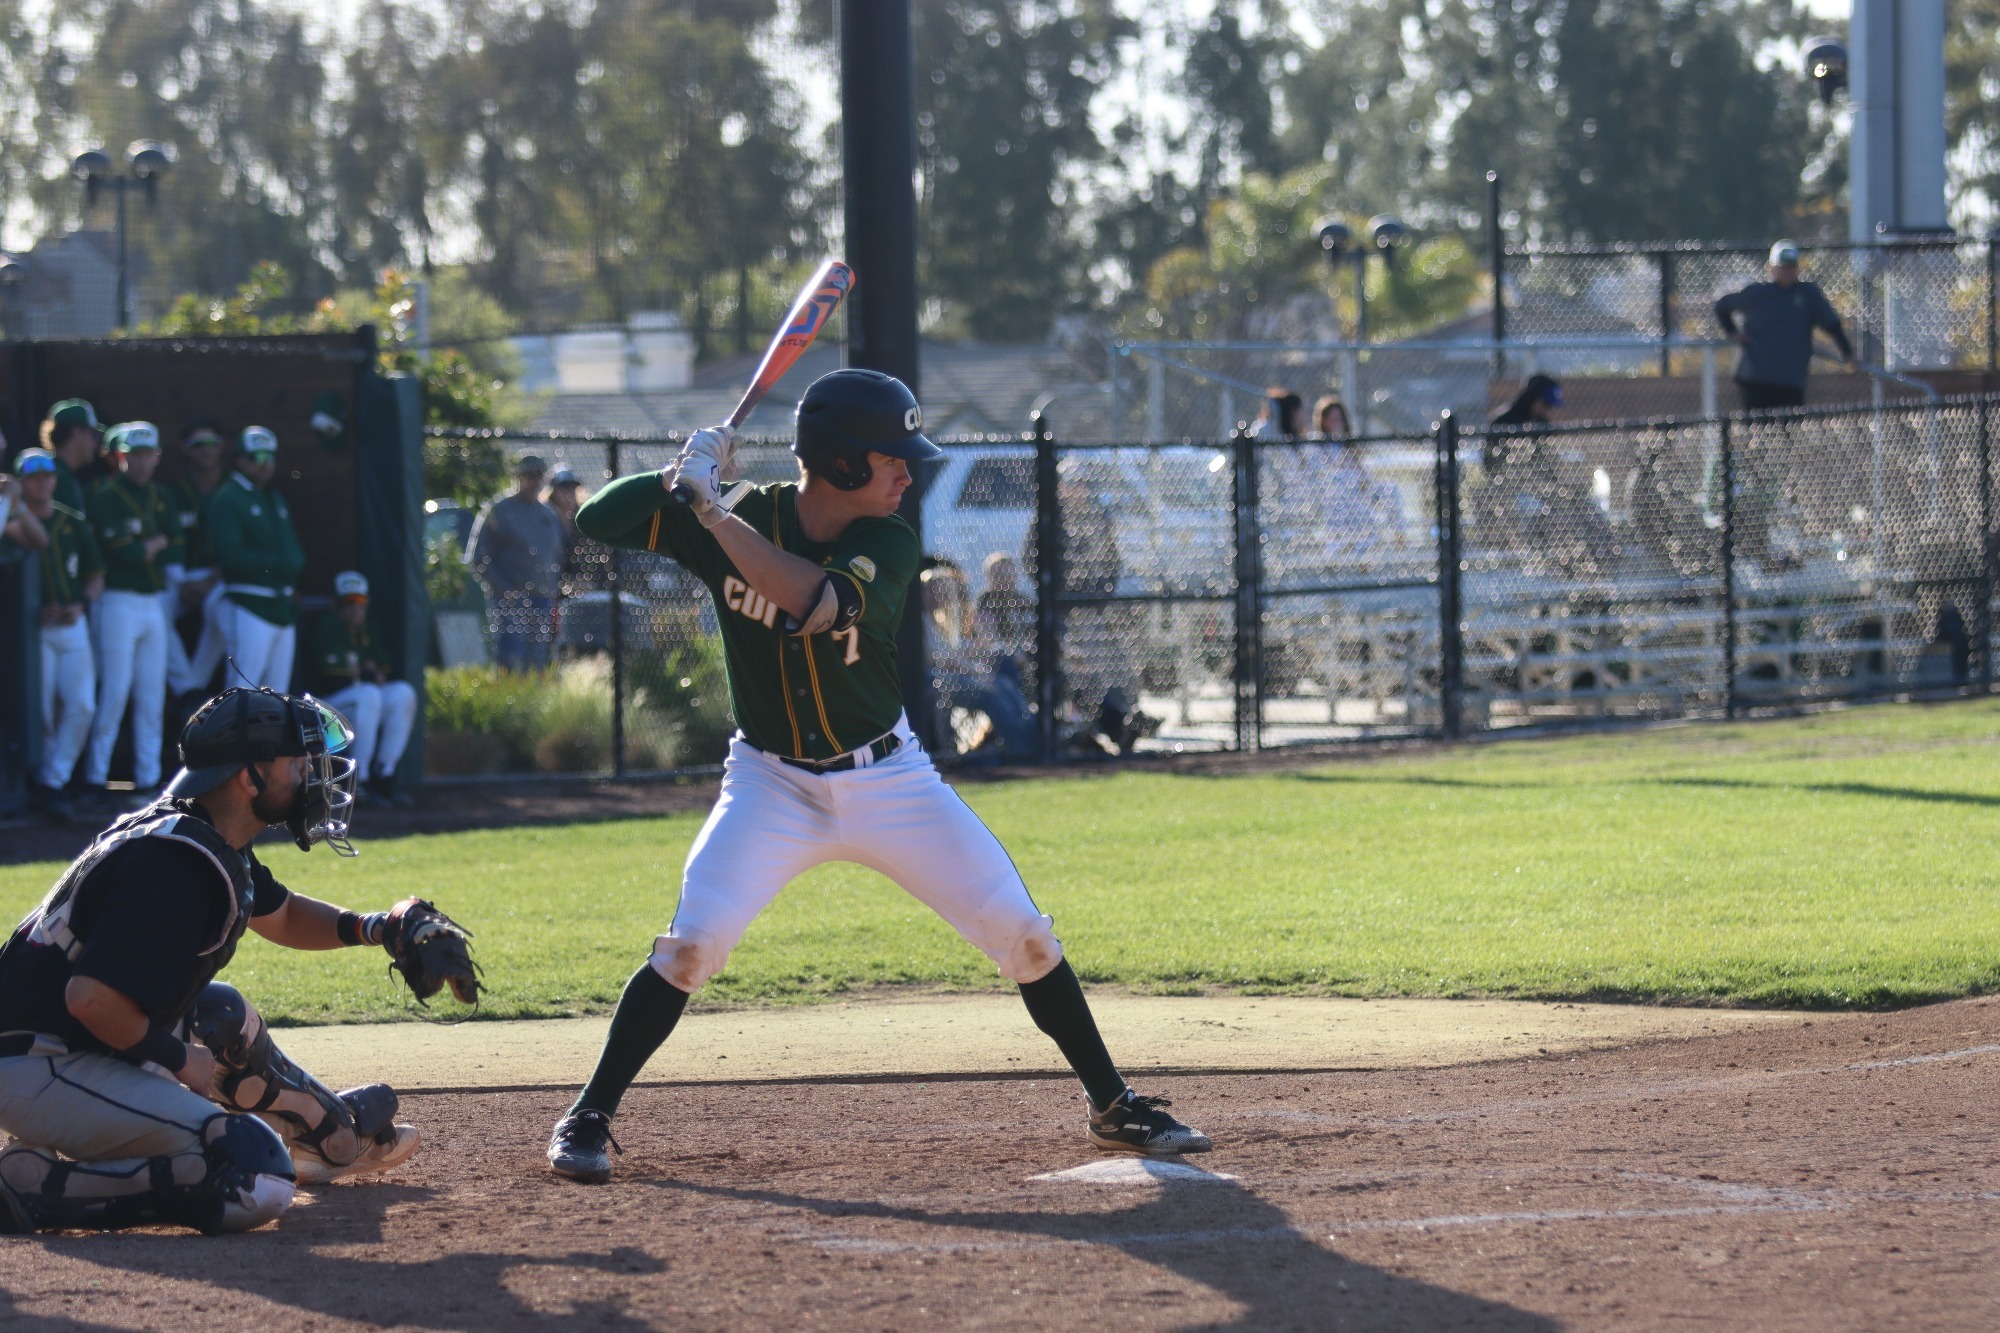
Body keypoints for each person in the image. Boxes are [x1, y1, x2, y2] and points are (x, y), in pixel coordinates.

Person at [545, 369, 1210, 1184]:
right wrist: (676, 476)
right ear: (843, 462)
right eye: (890, 457)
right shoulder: (733, 516)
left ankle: (1113, 1103)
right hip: (769, 784)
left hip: (890, 782)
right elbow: (596, 518)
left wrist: (711, 511)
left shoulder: (884, 540)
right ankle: (589, 1111)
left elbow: (811, 601)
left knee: (1026, 935)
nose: (906, 471)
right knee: (689, 948)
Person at [0, 688, 422, 1235]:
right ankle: (36, 1188)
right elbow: (91, 999)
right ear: (250, 778)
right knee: (254, 1175)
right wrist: (176, 1058)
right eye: (296, 764)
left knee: (220, 1014)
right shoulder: (174, 867)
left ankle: (326, 1133)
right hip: (44, 1066)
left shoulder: (202, 836)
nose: (311, 777)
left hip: (66, 1049)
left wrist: (378, 929)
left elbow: (287, 915)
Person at [82, 422, 177, 804]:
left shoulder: (160, 495)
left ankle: (149, 778)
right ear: (121, 457)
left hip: (152, 599)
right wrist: (150, 546)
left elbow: (170, 543)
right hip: (118, 599)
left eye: (148, 455)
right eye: (134, 455)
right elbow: (125, 552)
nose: (141, 463)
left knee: (151, 695)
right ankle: (94, 779)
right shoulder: (107, 495)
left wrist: (151, 546)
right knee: (115, 691)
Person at [4, 450, 102, 823]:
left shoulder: (73, 522)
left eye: (47, 476)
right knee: (41, 711)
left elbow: (95, 576)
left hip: (71, 621)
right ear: (22, 482)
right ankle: (42, 783)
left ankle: (55, 779)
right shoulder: (14, 519)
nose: (41, 482)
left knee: (82, 705)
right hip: (35, 628)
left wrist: (81, 604)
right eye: (33, 477)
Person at [304, 571, 419, 807]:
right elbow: (332, 679)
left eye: (360, 602)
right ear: (336, 604)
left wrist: (364, 673)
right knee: (369, 693)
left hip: (357, 697)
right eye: (348, 603)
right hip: (324, 705)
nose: (355, 609)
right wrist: (367, 673)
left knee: (402, 692)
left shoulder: (369, 630)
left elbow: (382, 676)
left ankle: (384, 773)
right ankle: (359, 778)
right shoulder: (329, 625)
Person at [206, 426, 306, 692]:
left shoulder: (274, 498)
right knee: (241, 690)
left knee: (278, 695)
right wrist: (274, 565)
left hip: (281, 606)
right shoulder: (228, 498)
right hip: (247, 604)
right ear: (239, 459)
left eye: (269, 457)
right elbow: (230, 556)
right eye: (256, 457)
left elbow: (293, 553)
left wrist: (290, 565)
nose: (264, 464)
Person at [1714, 240, 1858, 411]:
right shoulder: (1757, 293)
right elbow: (1722, 307)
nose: (1787, 271)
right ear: (1771, 267)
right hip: (1756, 379)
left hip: (1790, 380)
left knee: (1790, 431)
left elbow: (1832, 324)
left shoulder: (1807, 294)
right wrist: (1732, 332)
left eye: (1792, 266)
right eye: (1783, 267)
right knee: (1757, 430)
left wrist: (1848, 353)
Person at [469, 454, 565, 670]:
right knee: (510, 657)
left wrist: (553, 590)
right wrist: (503, 589)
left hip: (542, 600)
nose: (535, 481)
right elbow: (478, 559)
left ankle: (532, 703)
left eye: (539, 475)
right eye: (529, 475)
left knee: (538, 660)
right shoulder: (499, 510)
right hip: (511, 601)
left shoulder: (548, 514)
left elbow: (557, 557)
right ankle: (507, 701)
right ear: (518, 477)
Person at [163, 418, 229, 699]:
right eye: (198, 444)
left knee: (220, 609)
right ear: (186, 450)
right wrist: (181, 582)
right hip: (182, 577)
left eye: (211, 443)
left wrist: (212, 579)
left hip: (222, 578)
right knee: (154, 614)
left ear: (222, 447)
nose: (206, 450)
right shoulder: (174, 493)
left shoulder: (233, 489)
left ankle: (195, 689)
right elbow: (167, 543)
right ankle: (187, 688)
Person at [40, 399, 105, 517]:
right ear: (76, 432)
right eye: (93, 435)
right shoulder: (56, 476)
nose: (95, 444)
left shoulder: (62, 472)